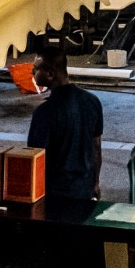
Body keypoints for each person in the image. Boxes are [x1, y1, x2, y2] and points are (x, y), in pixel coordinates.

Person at [27, 51, 105, 200]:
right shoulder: (92, 101)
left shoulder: (44, 112)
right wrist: (95, 182)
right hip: (85, 187)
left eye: (36, 69)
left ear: (50, 74)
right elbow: (96, 148)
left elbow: (35, 158)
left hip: (56, 192)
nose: (32, 72)